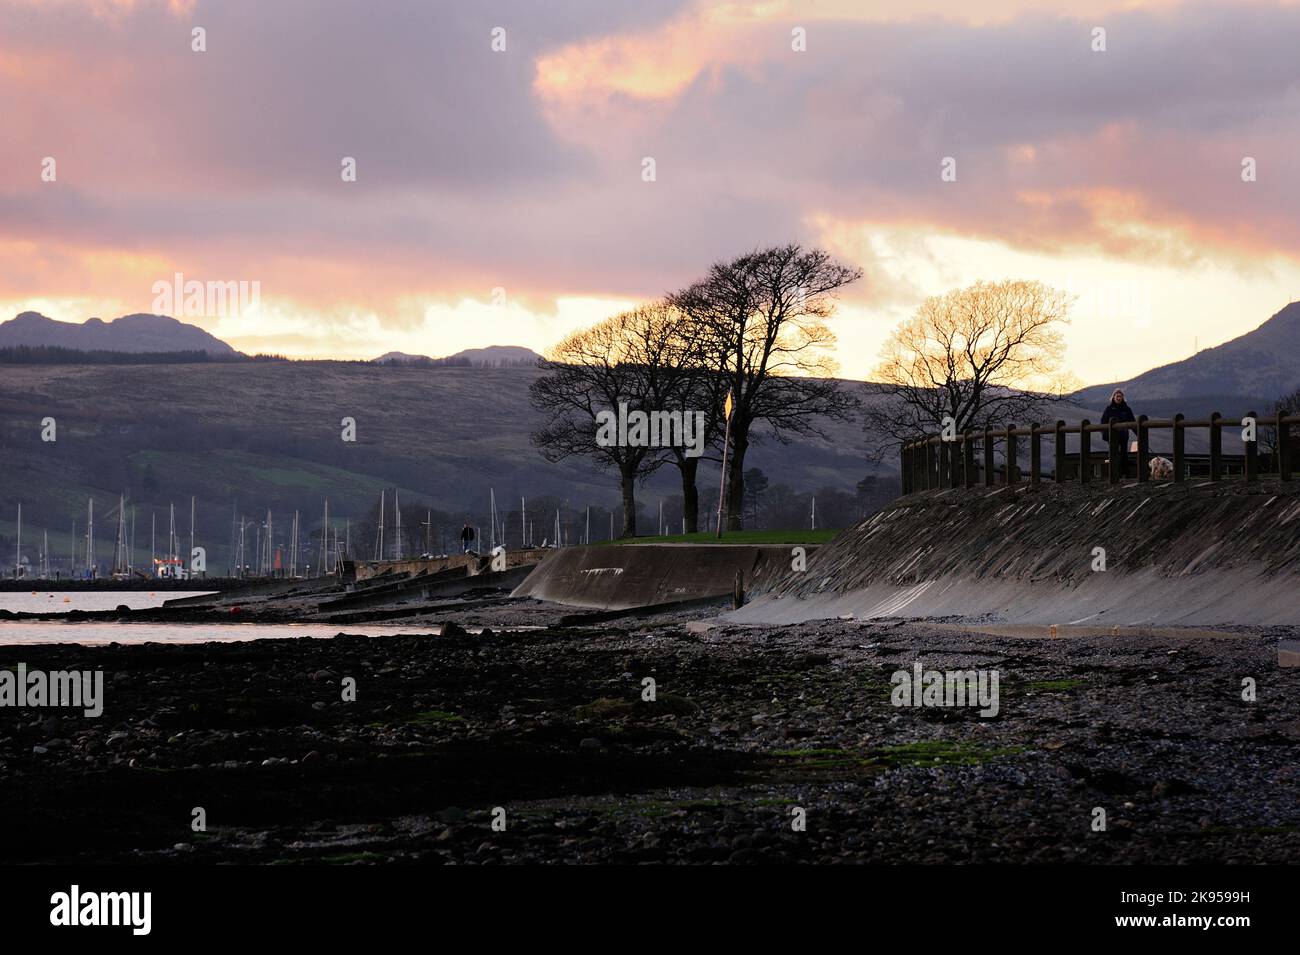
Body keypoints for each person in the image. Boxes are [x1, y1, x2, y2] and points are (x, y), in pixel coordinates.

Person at [1100, 388, 1137, 478]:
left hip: (1123, 435)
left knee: (1124, 454)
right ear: (1113, 397)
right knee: (1114, 453)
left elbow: (1132, 422)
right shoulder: (1109, 409)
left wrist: (1138, 433)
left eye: (1120, 396)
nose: (1119, 398)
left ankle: (1125, 473)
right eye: (1117, 396)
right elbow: (1103, 422)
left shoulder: (1126, 409)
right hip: (1112, 436)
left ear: (1123, 398)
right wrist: (1105, 434)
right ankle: (1115, 474)